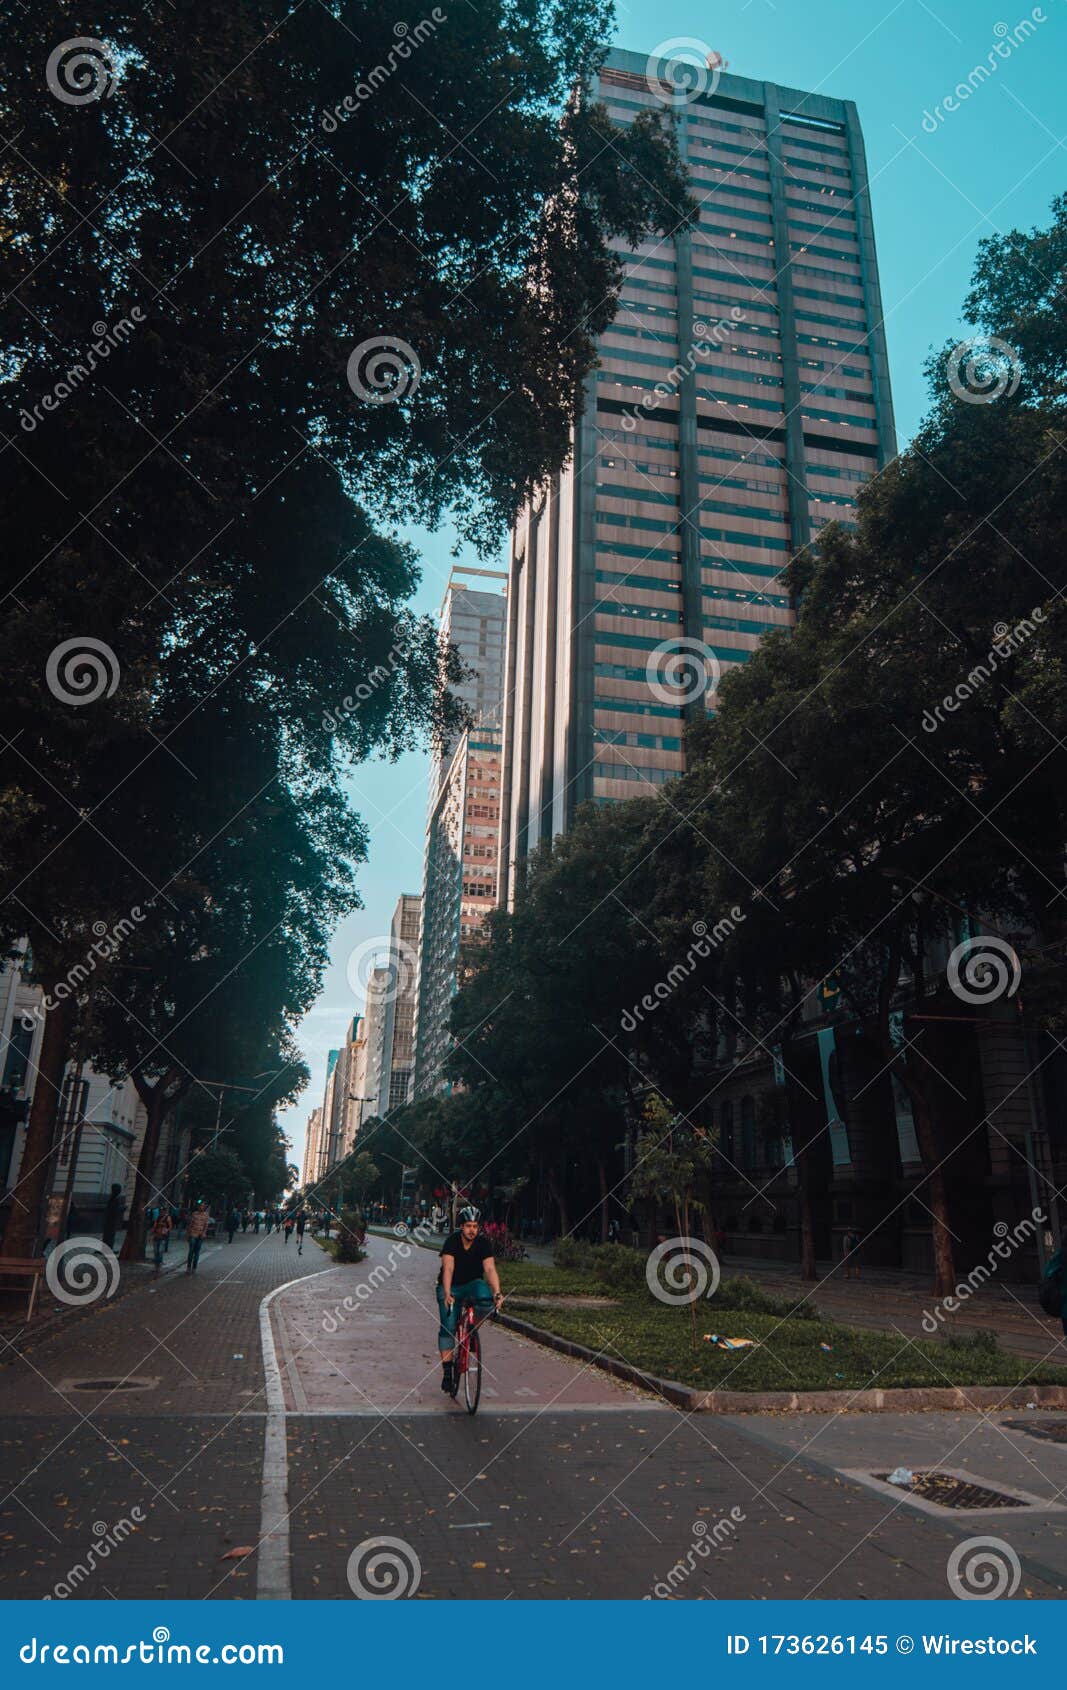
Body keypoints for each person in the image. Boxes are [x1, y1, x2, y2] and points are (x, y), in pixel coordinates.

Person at [436, 1206, 503, 1395]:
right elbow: (448, 1268)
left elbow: (489, 1269)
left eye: (475, 1226)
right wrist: (448, 1292)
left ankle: (472, 1331)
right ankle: (448, 1372)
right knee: (448, 1326)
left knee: (486, 1300)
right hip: (451, 1286)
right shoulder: (452, 1242)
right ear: (461, 1226)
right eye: (468, 1226)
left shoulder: (483, 1243)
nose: (472, 1230)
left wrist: (497, 1292)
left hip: (473, 1283)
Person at [186, 1202, 210, 1273]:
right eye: (200, 1206)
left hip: (200, 1235)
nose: (201, 1207)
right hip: (193, 1234)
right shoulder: (194, 1214)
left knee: (197, 1252)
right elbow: (190, 1224)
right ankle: (188, 1267)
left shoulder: (206, 1215)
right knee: (191, 1251)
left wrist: (204, 1233)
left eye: (203, 1206)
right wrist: (188, 1234)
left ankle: (194, 1267)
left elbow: (206, 1225)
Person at [101, 1182, 124, 1251]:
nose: (120, 1191)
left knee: (108, 1235)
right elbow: (114, 1210)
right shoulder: (115, 1199)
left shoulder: (112, 1198)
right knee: (110, 1236)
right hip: (111, 1221)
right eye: (119, 1190)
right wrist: (121, 1208)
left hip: (110, 1220)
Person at [151, 1207, 172, 1275]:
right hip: (156, 1236)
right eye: (161, 1211)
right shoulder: (157, 1218)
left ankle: (159, 1265)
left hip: (163, 1237)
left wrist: (166, 1230)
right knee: (156, 1251)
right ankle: (156, 1266)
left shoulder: (167, 1218)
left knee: (160, 1252)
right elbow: (154, 1226)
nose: (161, 1212)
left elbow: (170, 1226)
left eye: (163, 1211)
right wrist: (152, 1232)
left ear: (165, 1211)